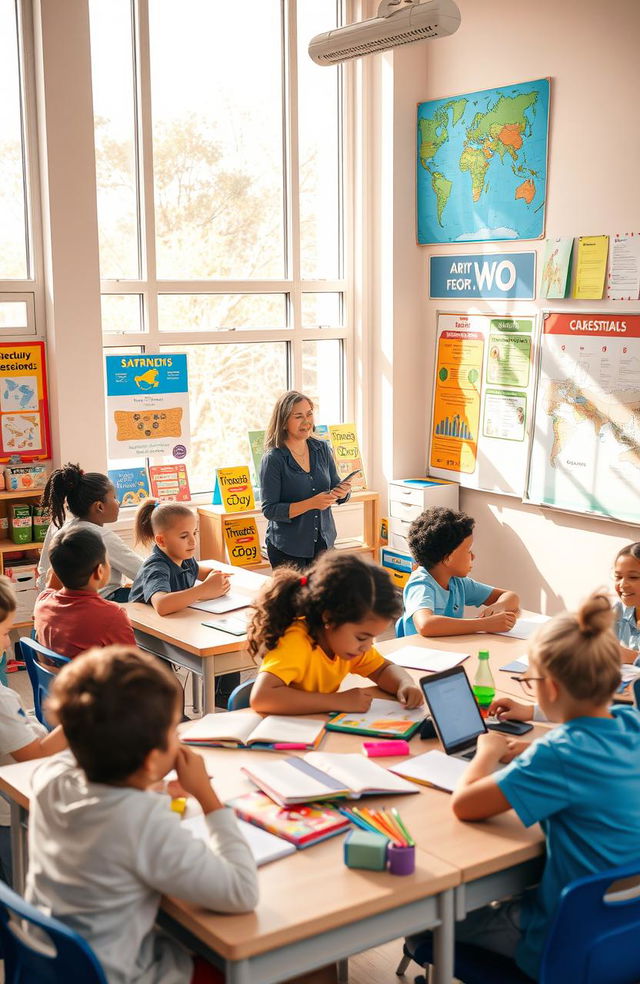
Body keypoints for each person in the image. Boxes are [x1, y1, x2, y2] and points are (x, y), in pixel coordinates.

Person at [437, 593, 640, 982]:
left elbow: (465, 805)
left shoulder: (558, 754)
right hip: (624, 936)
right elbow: (584, 759)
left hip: (562, 940)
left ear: (550, 687)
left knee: (434, 922)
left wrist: (487, 750)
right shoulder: (630, 724)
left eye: (529, 682)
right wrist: (533, 751)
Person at [25, 646, 258, 984]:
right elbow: (241, 893)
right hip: (123, 974)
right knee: (299, 963)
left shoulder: (50, 778)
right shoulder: (142, 822)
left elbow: (98, 781)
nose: (178, 739)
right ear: (151, 759)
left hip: (57, 966)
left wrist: (155, 787)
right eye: (173, 732)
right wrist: (207, 798)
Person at [249, 551, 423, 714]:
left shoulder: (346, 644)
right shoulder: (297, 641)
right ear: (328, 618)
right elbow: (261, 698)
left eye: (372, 638)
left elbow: (383, 669)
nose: (367, 647)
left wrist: (405, 684)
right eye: (362, 637)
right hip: (286, 733)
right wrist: (337, 701)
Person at [0, 576, 66, 885]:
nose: (5, 643)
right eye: (2, 633)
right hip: (12, 810)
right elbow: (34, 754)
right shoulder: (1, 701)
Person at [260, 391, 352, 570]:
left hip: (324, 546)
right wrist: (311, 503)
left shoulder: (322, 448)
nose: (306, 421)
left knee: (326, 597)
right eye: (298, 416)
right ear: (284, 421)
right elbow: (270, 510)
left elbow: (335, 486)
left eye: (309, 413)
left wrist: (343, 492)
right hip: (288, 549)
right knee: (295, 599)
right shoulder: (273, 458)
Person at [397, 506, 520, 637]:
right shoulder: (420, 585)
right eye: (468, 550)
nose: (473, 556)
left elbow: (511, 596)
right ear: (448, 558)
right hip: (422, 654)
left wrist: (499, 606)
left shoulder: (458, 583)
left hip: (451, 651)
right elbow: (425, 625)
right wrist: (484, 624)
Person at [37, 463, 142, 602]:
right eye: (115, 498)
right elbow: (144, 572)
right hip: (100, 601)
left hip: (57, 601)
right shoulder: (102, 537)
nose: (119, 503)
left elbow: (43, 573)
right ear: (99, 506)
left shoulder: (59, 527)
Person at [34, 527, 136, 658]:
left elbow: (50, 582)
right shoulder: (112, 615)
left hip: (56, 677)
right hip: (92, 678)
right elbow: (133, 665)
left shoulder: (43, 601)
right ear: (99, 571)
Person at [129, 500, 231, 616]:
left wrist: (218, 579)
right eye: (184, 536)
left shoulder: (185, 560)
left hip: (175, 623)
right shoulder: (156, 568)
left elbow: (206, 572)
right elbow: (161, 605)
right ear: (161, 541)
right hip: (144, 630)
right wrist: (204, 590)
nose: (193, 541)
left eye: (194, 533)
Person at [612, 541, 640, 663]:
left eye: (633, 577)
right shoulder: (618, 610)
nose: (622, 584)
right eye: (618, 577)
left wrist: (633, 657)